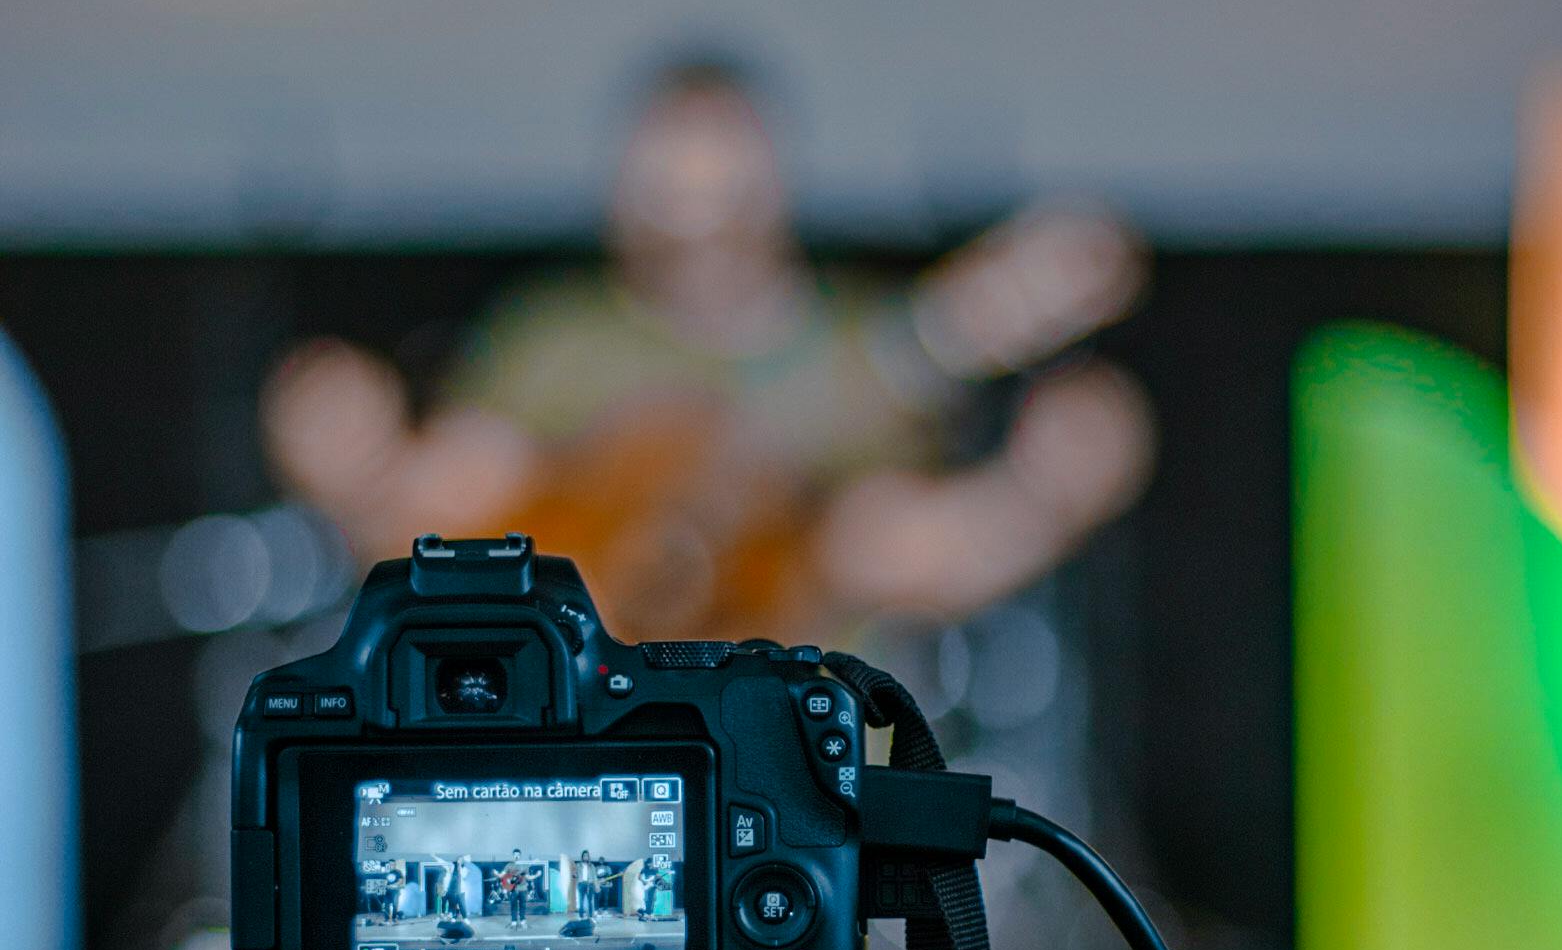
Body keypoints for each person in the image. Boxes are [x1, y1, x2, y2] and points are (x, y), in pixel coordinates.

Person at [259, 53, 1155, 643]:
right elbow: (446, 511)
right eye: (669, 166)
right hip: (591, 765)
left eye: (722, 165)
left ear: (772, 176)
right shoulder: (560, 338)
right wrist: (356, 469)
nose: (695, 196)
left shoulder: (854, 338)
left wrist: (1042, 498)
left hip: (790, 766)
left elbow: (909, 550)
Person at [576, 848, 597, 920]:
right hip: (581, 884)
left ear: (588, 857)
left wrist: (596, 886)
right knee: (581, 901)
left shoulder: (592, 866)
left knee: (590, 901)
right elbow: (576, 874)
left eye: (587, 856)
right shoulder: (578, 865)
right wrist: (575, 876)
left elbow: (594, 876)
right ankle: (581, 916)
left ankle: (590, 916)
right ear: (582, 857)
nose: (585, 857)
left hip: (590, 884)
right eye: (584, 856)